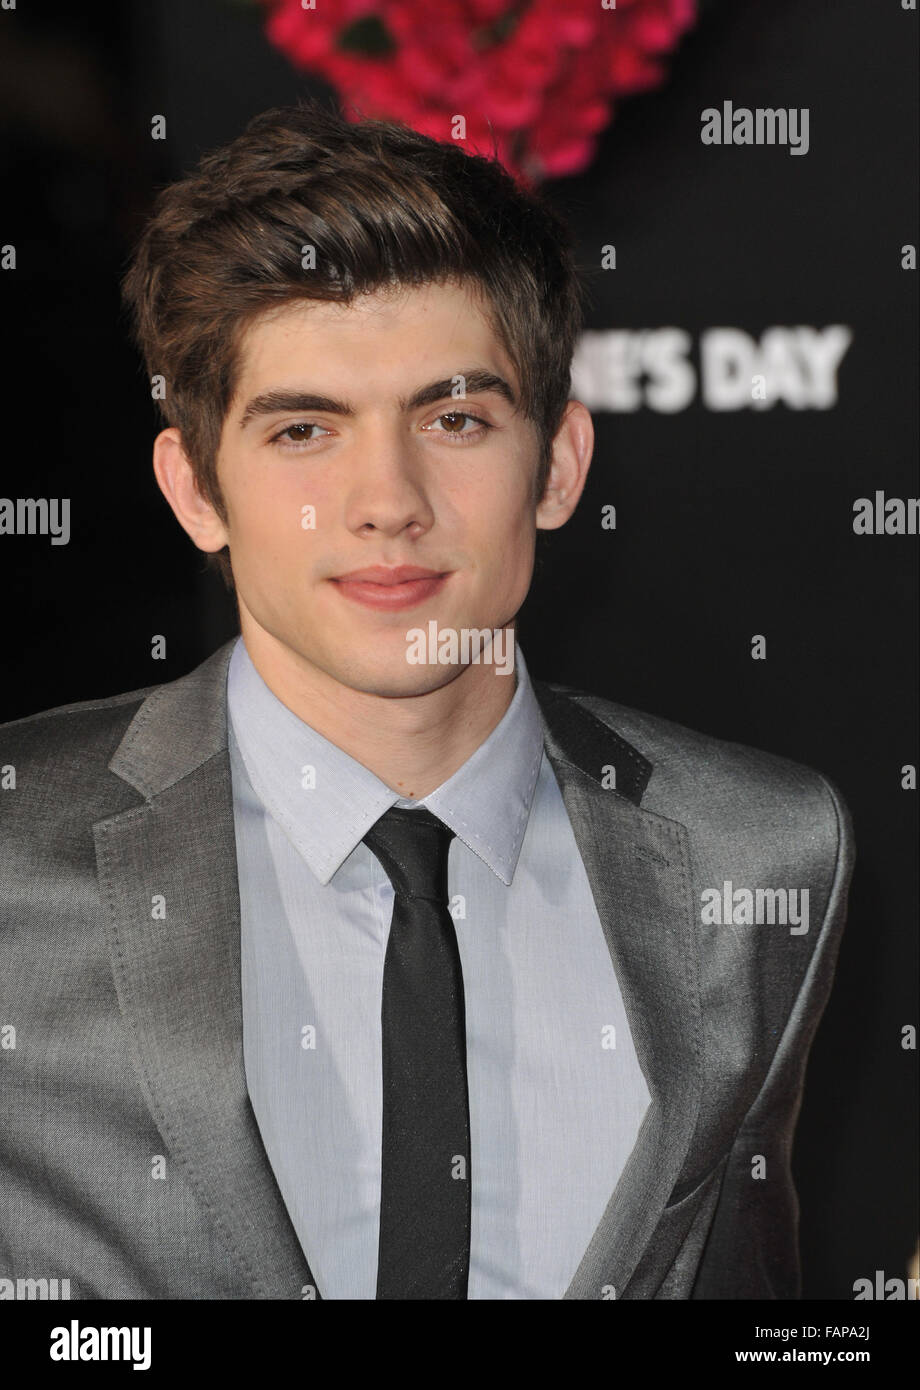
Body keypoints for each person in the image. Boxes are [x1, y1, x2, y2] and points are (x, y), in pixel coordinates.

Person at [0, 100, 854, 1301]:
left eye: (453, 419)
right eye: (303, 429)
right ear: (195, 490)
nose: (385, 499)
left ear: (557, 464)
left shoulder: (761, 851)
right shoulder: (12, 853)